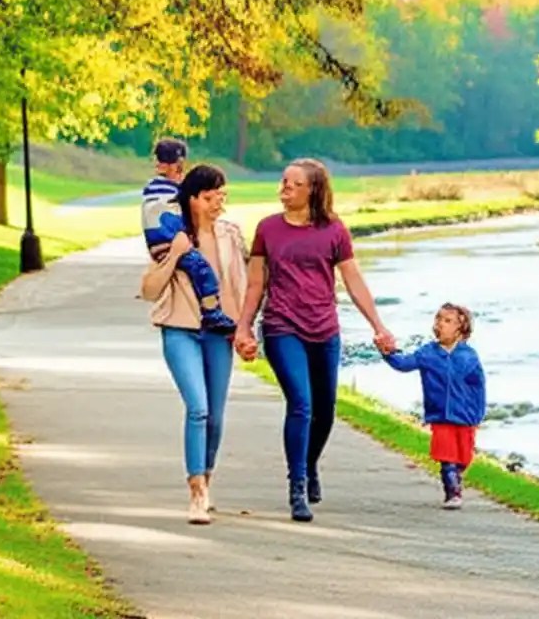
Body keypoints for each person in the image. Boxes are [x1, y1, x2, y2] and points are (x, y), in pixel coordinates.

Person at [234, 158, 395, 522]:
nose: (285, 188)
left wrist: (378, 326)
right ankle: (297, 487)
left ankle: (309, 464)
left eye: (294, 183)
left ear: (313, 190)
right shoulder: (267, 229)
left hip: (324, 329)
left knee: (326, 412)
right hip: (281, 326)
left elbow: (353, 280)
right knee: (301, 404)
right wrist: (244, 328)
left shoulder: (334, 230)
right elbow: (256, 283)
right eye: (283, 181)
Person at [140, 164, 248, 525]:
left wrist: (245, 331)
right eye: (210, 197)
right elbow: (149, 290)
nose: (218, 203)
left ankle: (208, 476)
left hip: (220, 334)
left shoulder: (231, 235)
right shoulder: (171, 233)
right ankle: (196, 491)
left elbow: (241, 287)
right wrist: (174, 254)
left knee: (215, 416)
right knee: (198, 408)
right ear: (191, 199)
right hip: (180, 329)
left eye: (222, 196)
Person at [380, 303, 486, 509]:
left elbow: (478, 386)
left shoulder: (469, 356)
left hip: (465, 415)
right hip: (440, 415)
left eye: (447, 321)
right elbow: (404, 364)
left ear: (460, 329)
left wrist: (478, 412)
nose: (440, 324)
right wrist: (388, 353)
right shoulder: (427, 353)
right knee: (447, 457)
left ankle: (456, 475)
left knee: (463, 457)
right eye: (438, 319)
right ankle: (452, 491)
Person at [141, 138, 235, 335]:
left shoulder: (152, 188)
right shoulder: (168, 191)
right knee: (203, 272)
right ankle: (212, 312)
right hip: (169, 244)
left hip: (158, 245)